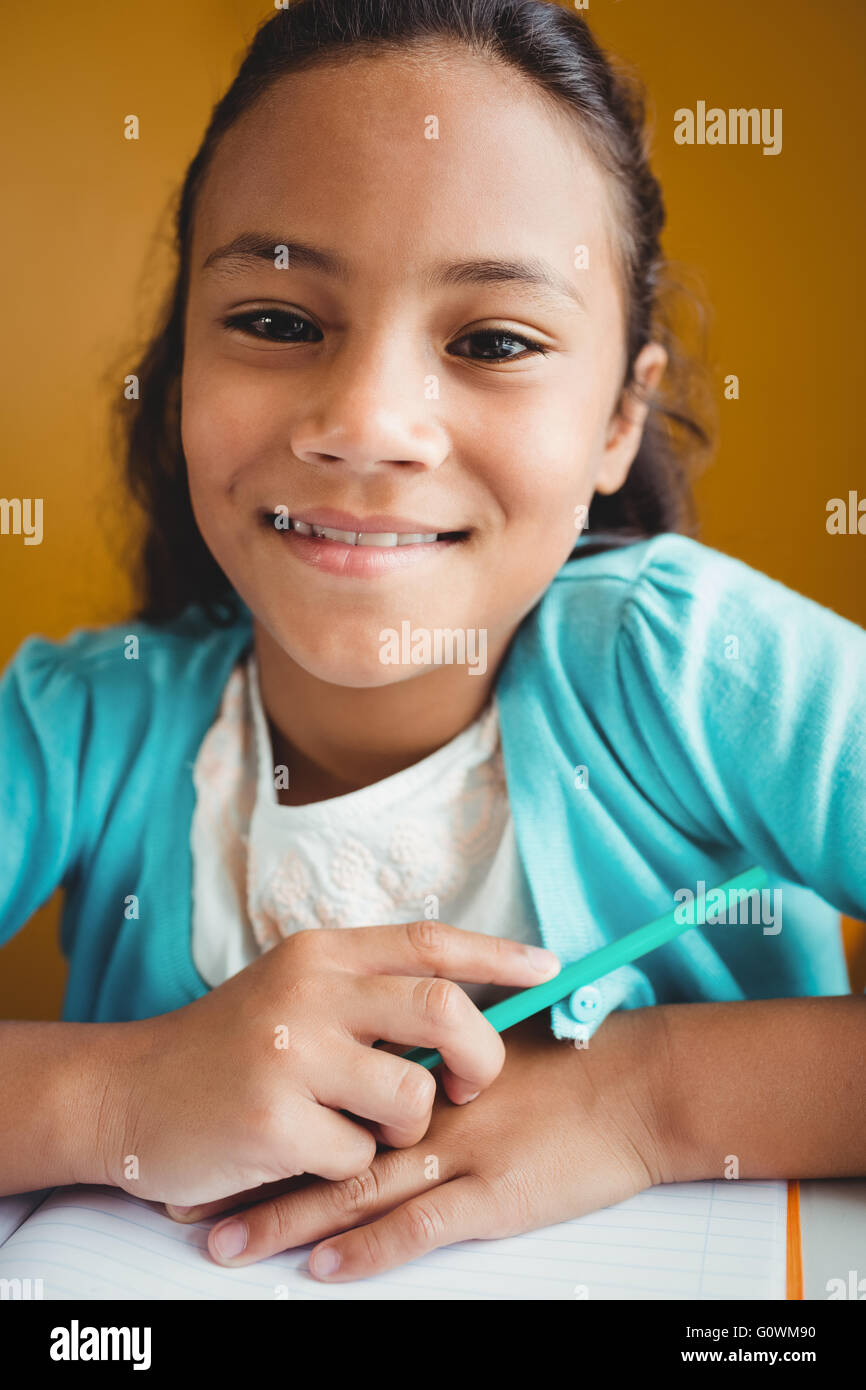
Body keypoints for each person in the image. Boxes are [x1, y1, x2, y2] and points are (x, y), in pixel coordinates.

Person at [1, 0, 863, 1285]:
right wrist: (113, 1100)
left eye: (492, 342)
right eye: (279, 321)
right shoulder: (75, 728)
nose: (365, 422)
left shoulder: (693, 672)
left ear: (619, 421)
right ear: (180, 372)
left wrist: (649, 1099)